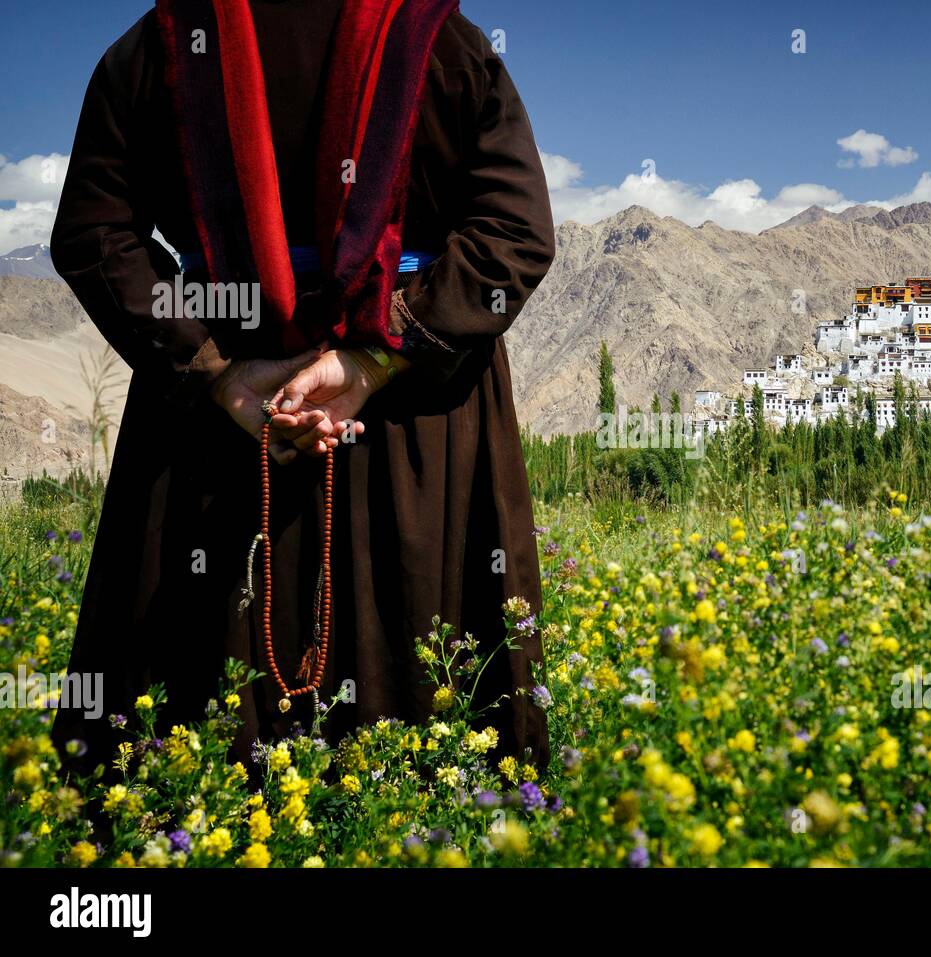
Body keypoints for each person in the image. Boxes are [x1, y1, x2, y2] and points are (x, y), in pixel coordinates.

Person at [49, 0, 554, 778]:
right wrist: (377, 359)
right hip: (414, 427)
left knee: (187, 749)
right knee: (433, 726)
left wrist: (214, 369)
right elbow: (515, 230)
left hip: (220, 429)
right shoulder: (439, 39)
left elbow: (93, 231)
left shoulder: (161, 44)